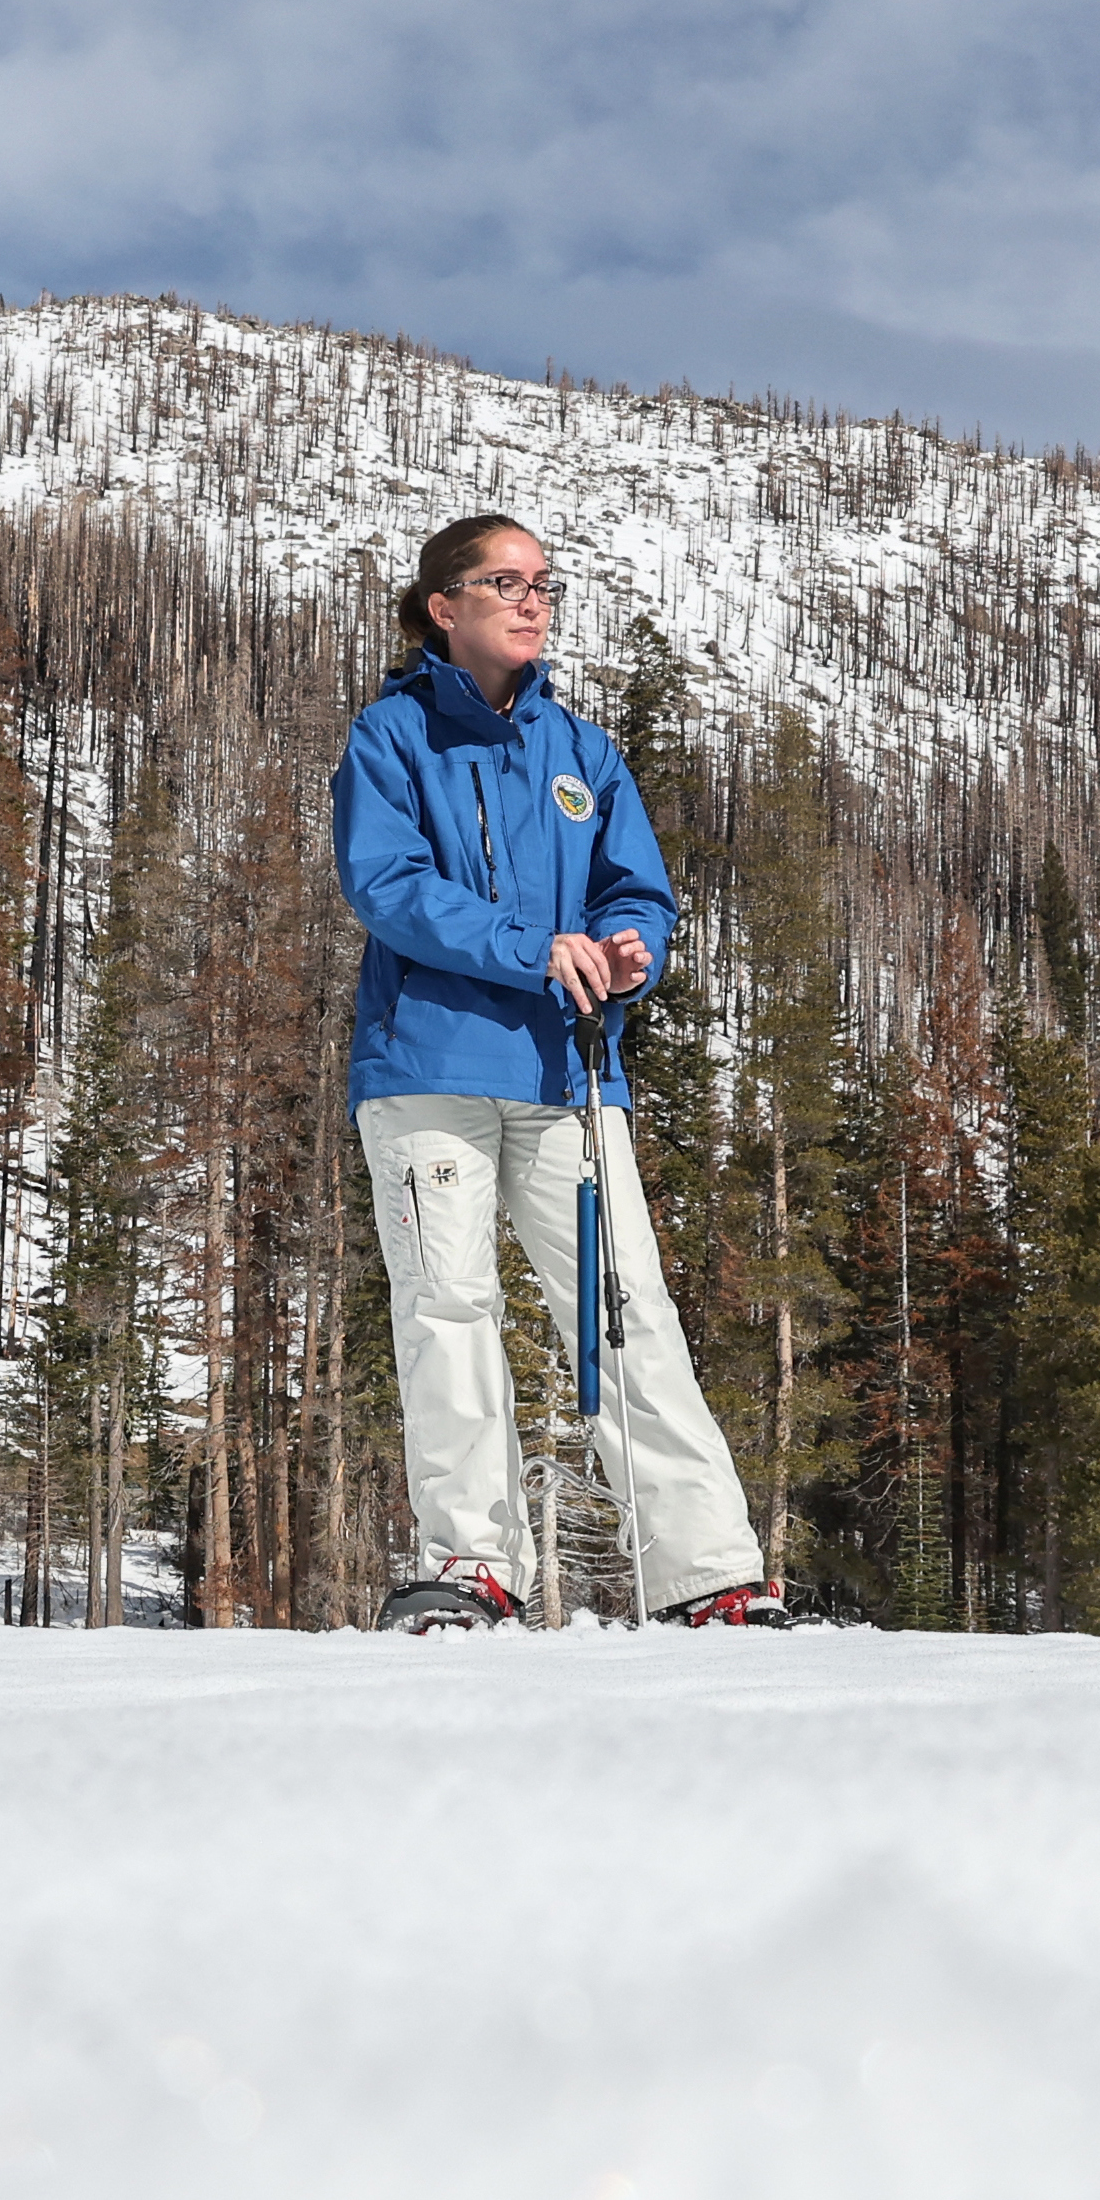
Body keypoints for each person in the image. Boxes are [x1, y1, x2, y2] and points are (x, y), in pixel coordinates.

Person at [334, 513, 788, 1632]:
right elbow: (384, 885)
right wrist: (526, 947)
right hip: (427, 1066)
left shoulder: (582, 753)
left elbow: (636, 892)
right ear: (444, 607)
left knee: (622, 1306)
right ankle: (471, 1565)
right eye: (505, 581)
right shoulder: (389, 738)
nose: (532, 600)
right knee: (448, 1306)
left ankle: (708, 1575)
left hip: (567, 1073)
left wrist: (630, 954)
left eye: (544, 584)